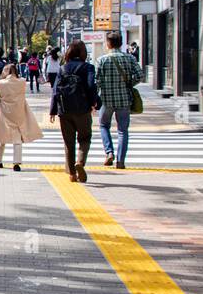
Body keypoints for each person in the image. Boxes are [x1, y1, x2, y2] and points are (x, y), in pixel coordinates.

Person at [49, 40, 100, 182]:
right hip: (82, 109)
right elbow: (91, 86)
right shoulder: (88, 67)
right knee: (85, 138)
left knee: (68, 142)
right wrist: (93, 103)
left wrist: (52, 110)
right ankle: (80, 162)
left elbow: (55, 90)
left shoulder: (63, 68)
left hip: (64, 110)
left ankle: (72, 174)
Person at [96, 31, 143, 169]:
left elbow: (96, 81)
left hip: (106, 99)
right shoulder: (129, 58)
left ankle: (109, 152)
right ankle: (121, 161)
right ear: (121, 44)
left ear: (108, 44)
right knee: (123, 130)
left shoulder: (102, 60)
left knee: (104, 126)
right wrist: (129, 84)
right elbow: (140, 75)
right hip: (124, 99)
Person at [0, 64, 43, 171]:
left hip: (3, 112)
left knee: (1, 137)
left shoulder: (0, 83)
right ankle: (16, 162)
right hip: (18, 112)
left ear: (5, 72)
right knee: (17, 139)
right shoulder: (22, 82)